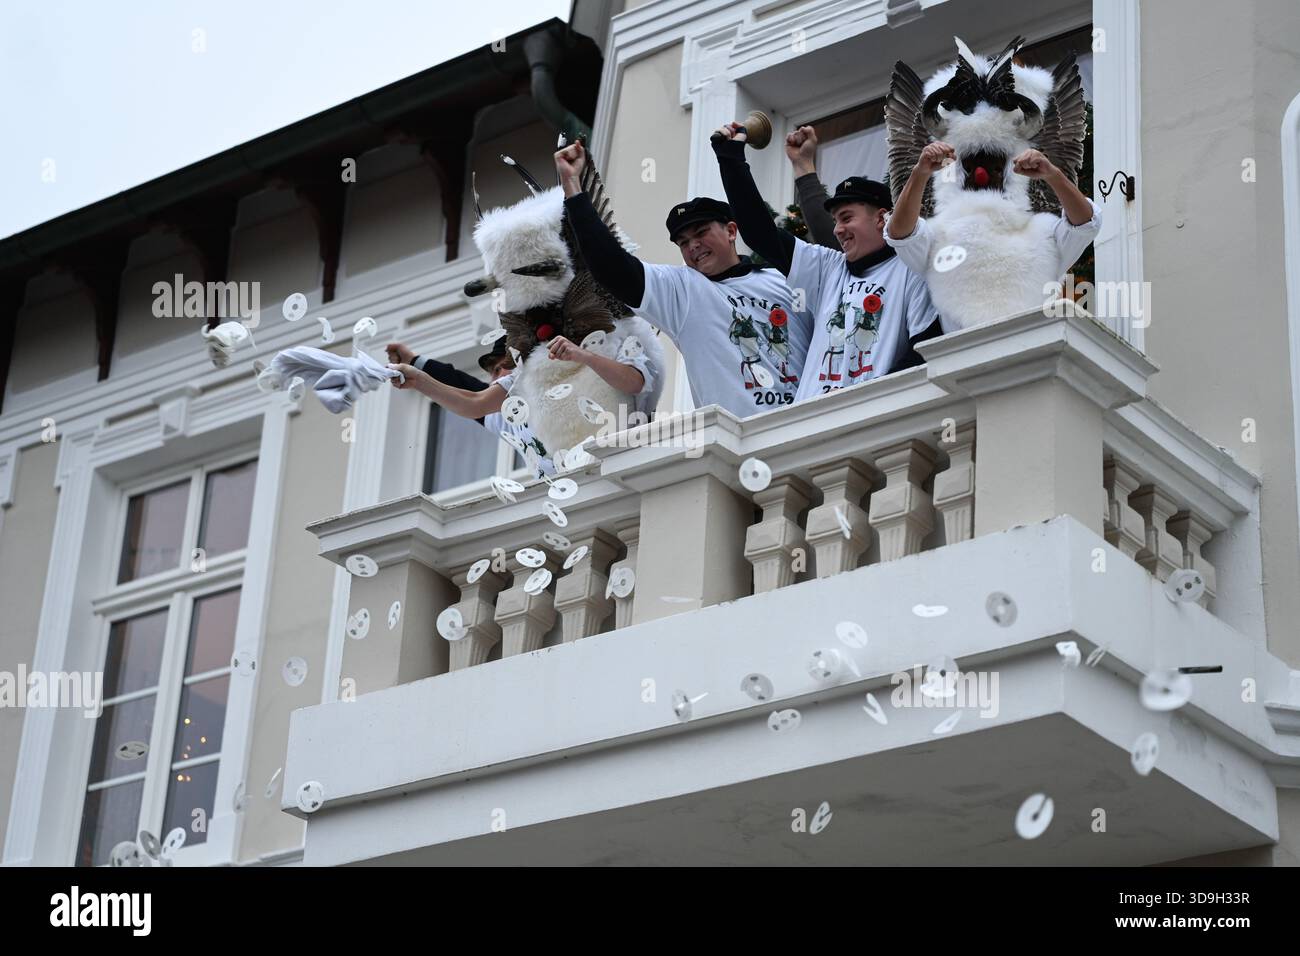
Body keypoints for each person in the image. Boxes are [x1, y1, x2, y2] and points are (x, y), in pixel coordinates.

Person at [554, 140, 813, 418]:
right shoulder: (683, 290)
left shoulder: (782, 279)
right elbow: (611, 266)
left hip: (808, 426)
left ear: (731, 230)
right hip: (742, 444)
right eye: (683, 242)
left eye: (701, 233)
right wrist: (573, 186)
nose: (693, 246)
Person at [711, 123, 944, 401]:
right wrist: (731, 159)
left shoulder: (911, 270)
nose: (837, 230)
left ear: (881, 218)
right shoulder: (828, 267)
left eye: (846, 218)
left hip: (873, 421)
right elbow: (760, 234)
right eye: (835, 221)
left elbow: (924, 351)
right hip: (808, 422)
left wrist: (863, 397)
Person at [385, 329, 651, 475]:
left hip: (611, 473)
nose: (494, 380)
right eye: (491, 374)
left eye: (502, 368)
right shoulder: (509, 416)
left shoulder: (568, 380)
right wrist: (418, 367)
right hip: (562, 502)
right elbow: (468, 393)